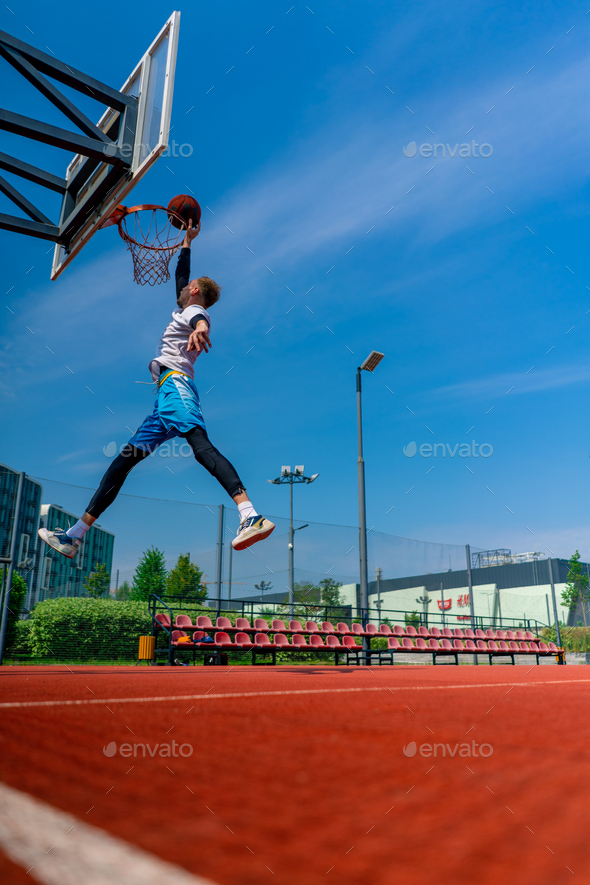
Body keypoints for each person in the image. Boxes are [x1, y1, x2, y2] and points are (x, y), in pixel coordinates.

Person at [39, 220, 274, 560]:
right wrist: (186, 242)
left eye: (188, 286)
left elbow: (199, 317)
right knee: (123, 462)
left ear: (195, 292)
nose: (181, 287)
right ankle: (75, 536)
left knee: (199, 446)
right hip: (163, 401)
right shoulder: (186, 304)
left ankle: (250, 514)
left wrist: (202, 327)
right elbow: (182, 276)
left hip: (176, 387)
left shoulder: (194, 310)